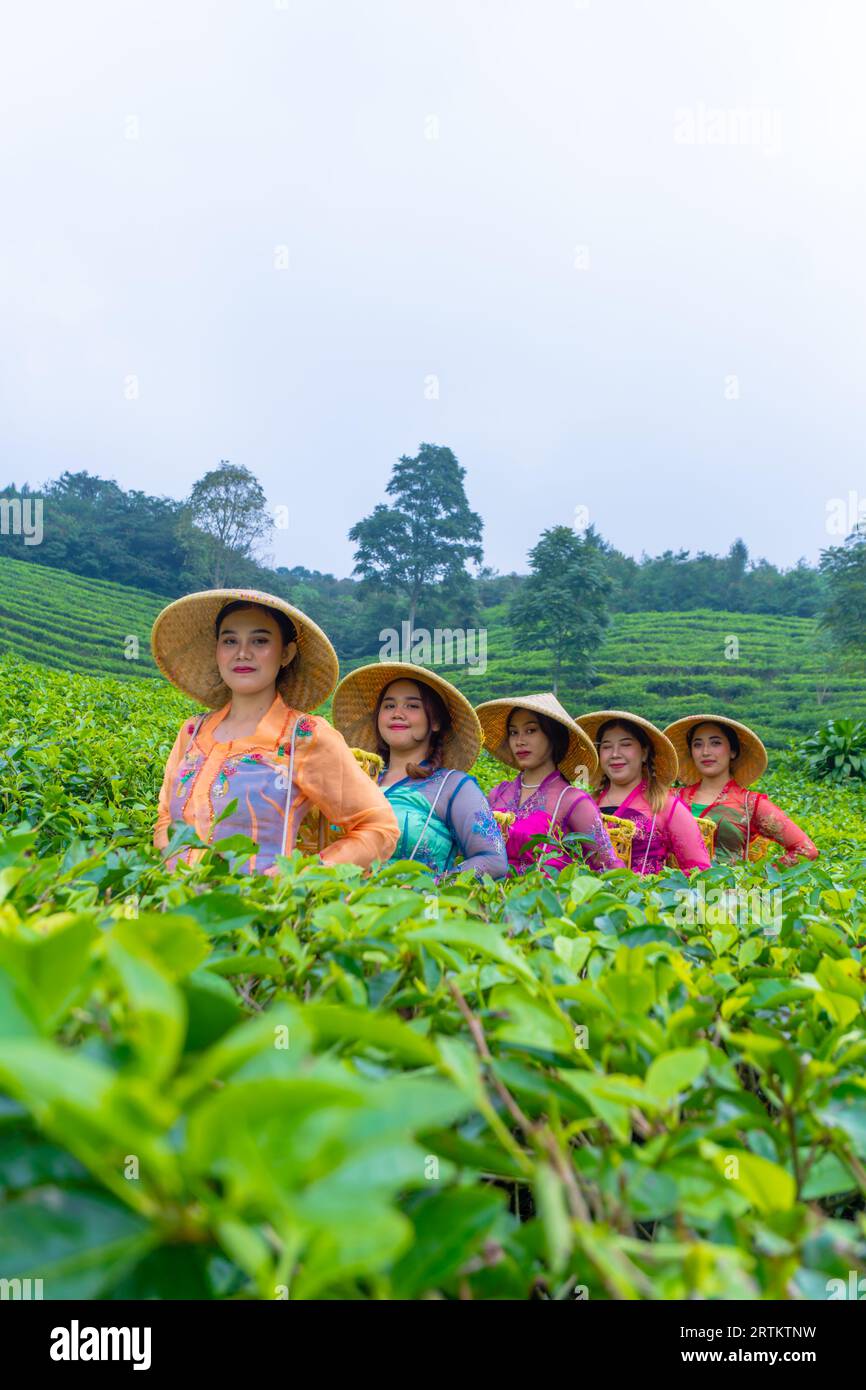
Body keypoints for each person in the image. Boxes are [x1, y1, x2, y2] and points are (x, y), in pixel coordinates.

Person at [151, 588, 398, 874]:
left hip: (260, 910)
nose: (242, 653)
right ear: (217, 650)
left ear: (286, 653)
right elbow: (166, 817)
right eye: (230, 641)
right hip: (173, 906)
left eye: (260, 640)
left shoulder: (304, 736)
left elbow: (379, 827)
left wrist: (303, 875)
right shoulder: (192, 732)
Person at [332, 661, 507, 879]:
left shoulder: (454, 786)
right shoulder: (360, 782)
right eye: (389, 706)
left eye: (412, 706)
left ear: (434, 722)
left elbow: (494, 861)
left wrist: (433, 889)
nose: (397, 713)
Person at [478, 693, 623, 875]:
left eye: (531, 730)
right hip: (490, 899)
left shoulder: (573, 800)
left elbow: (609, 865)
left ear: (552, 735)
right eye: (514, 732)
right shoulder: (498, 793)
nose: (520, 741)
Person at [663, 715, 819, 866]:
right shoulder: (670, 798)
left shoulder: (750, 803)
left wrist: (761, 876)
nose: (705, 752)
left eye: (715, 743)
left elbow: (806, 850)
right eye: (697, 744)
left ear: (733, 751)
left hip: (725, 891)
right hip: (673, 891)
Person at [577, 709, 710, 875]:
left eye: (626, 744)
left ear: (644, 753)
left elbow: (700, 871)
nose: (615, 754)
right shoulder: (586, 805)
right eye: (606, 747)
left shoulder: (666, 806)